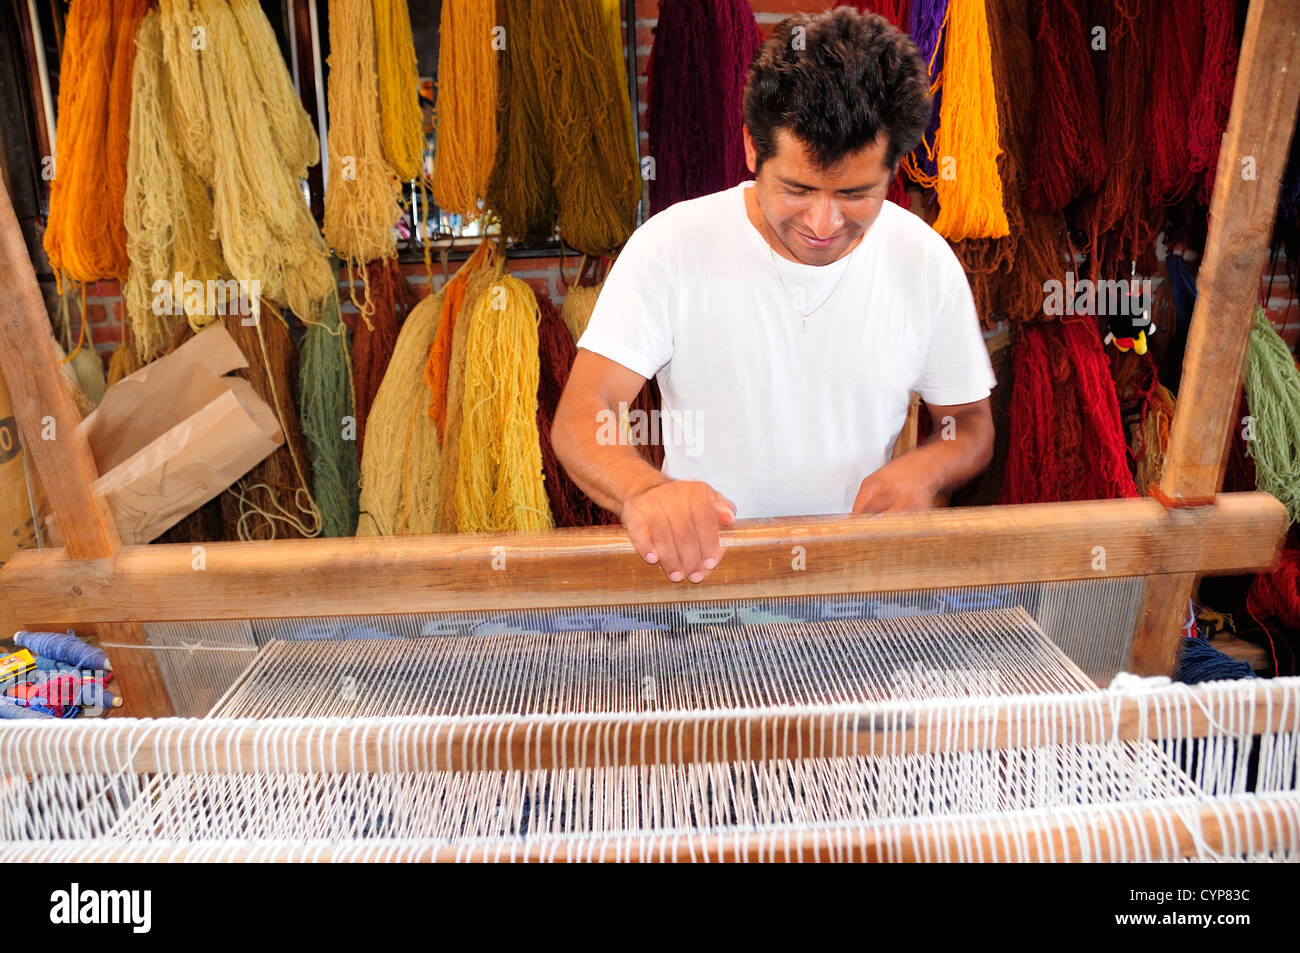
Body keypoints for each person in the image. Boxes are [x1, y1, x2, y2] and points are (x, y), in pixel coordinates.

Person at [553, 8, 995, 585]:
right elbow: (583, 416)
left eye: (857, 194)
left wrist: (928, 470)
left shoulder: (924, 260)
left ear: (893, 172)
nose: (823, 222)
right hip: (706, 578)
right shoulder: (672, 245)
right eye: (797, 188)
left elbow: (969, 422)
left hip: (855, 579)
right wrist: (646, 489)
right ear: (750, 151)